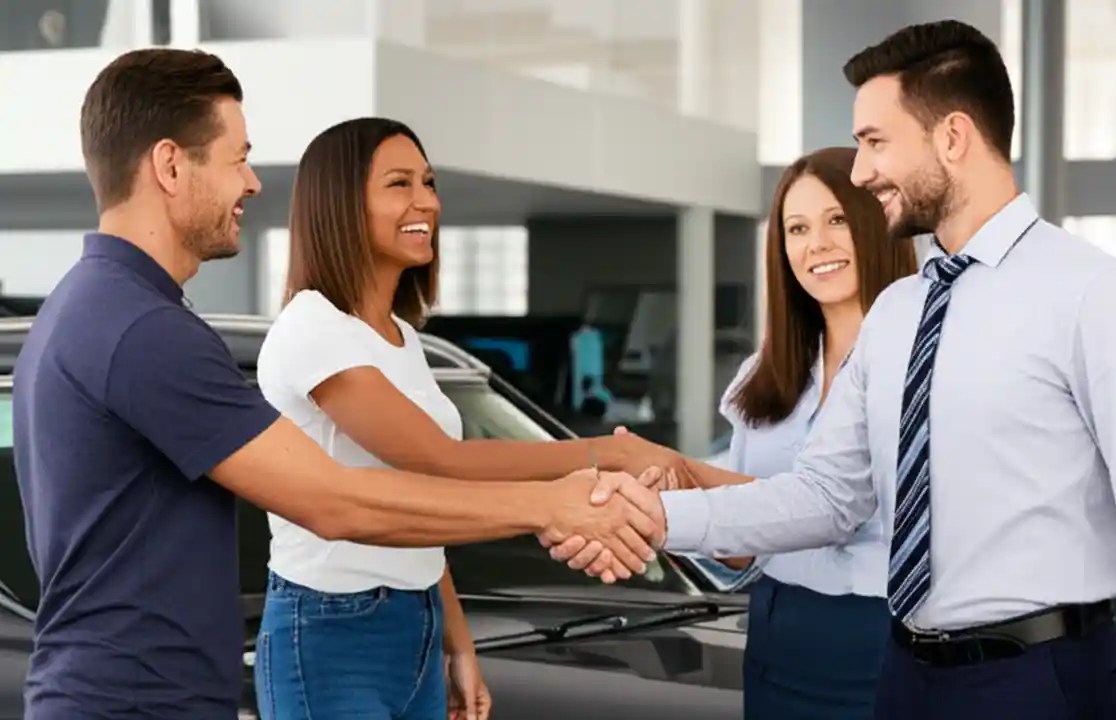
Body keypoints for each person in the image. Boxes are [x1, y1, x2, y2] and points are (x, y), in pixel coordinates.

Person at [550, 20, 1116, 720]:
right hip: (904, 674)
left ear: (952, 137)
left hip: (1039, 680)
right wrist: (657, 516)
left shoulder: (1091, 295)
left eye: (876, 141)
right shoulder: (899, 313)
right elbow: (828, 496)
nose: (864, 170)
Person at [11, 48, 665, 720]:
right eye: (237, 159)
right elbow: (336, 502)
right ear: (171, 165)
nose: (254, 184)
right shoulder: (142, 330)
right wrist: (551, 505)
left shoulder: (91, 309)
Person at [252, 117, 679, 720]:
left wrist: (456, 638)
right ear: (341, 204)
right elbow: (441, 461)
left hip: (415, 618)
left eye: (428, 181)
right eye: (399, 184)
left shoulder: (402, 338)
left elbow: (428, 503)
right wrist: (606, 455)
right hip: (330, 628)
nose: (426, 200)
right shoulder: (312, 327)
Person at [705, 146, 917, 719]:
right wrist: (671, 496)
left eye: (837, 221)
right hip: (781, 632)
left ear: (877, 224)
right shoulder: (763, 374)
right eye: (796, 229)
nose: (815, 244)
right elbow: (741, 549)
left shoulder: (928, 364)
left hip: (891, 636)